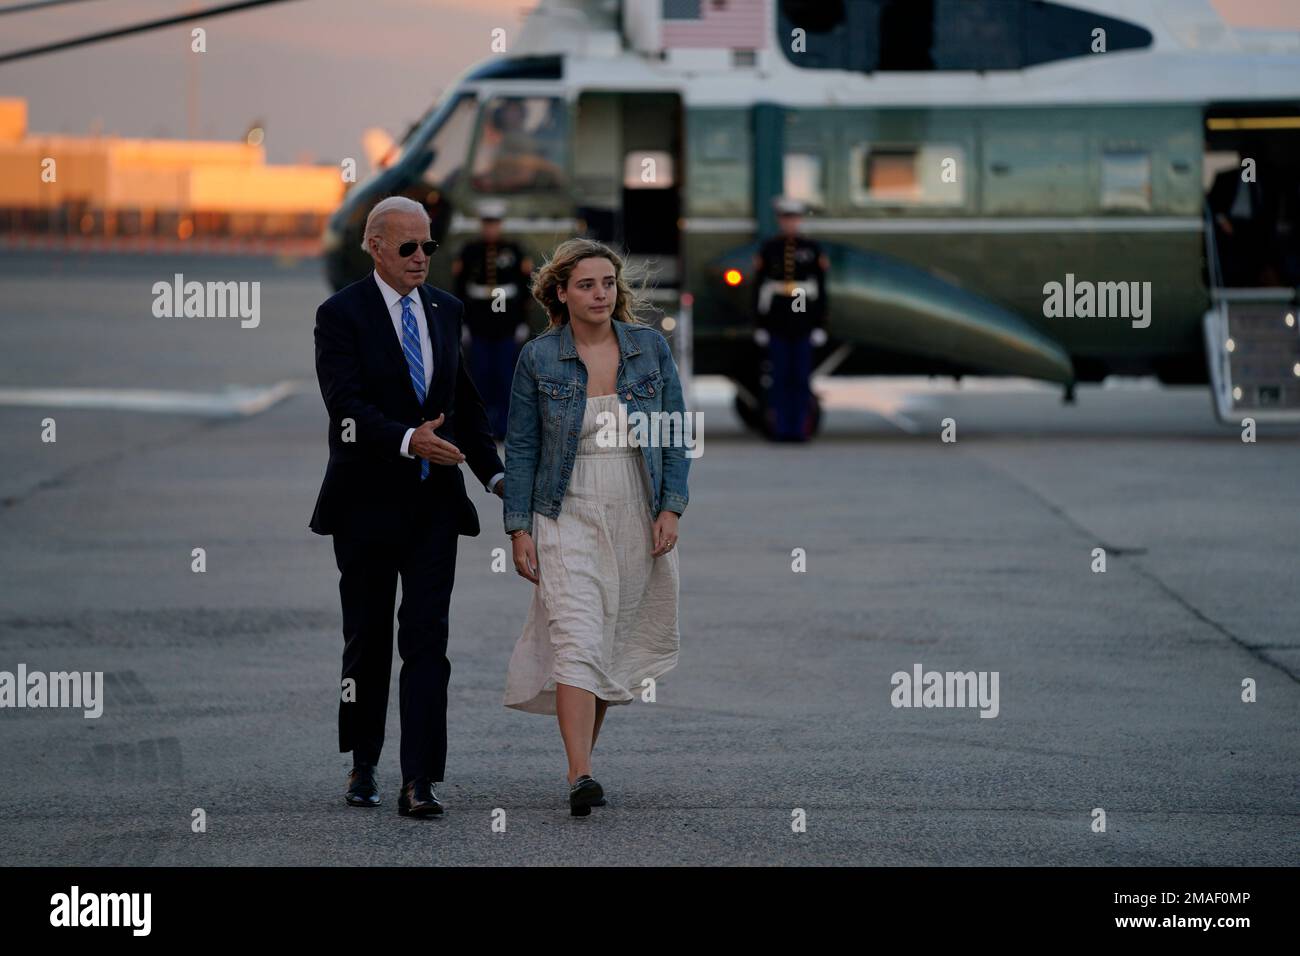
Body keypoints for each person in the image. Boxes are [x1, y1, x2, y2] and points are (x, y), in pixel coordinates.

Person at [310, 195, 506, 818]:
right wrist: (405, 438)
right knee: (367, 639)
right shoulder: (339, 315)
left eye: (428, 247)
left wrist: (498, 480)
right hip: (364, 506)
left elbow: (466, 406)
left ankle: (419, 779)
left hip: (433, 509)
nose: (422, 257)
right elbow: (344, 405)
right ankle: (362, 761)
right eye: (408, 247)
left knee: (427, 642)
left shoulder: (446, 310)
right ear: (375, 247)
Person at [501, 237, 690, 816]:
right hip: (566, 509)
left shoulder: (650, 348)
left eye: (607, 283)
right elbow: (524, 449)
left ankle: (583, 763)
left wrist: (670, 508)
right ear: (561, 292)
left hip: (636, 505)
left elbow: (675, 433)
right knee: (578, 635)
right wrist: (519, 528)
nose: (600, 294)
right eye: (586, 284)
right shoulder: (538, 358)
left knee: (608, 642)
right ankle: (580, 773)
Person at [452, 199, 533, 439]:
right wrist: (463, 324)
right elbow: (460, 290)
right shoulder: (469, 251)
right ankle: (482, 428)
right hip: (479, 324)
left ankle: (504, 428)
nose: (490, 229)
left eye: (494, 224)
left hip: (506, 325)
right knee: (480, 377)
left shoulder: (514, 250)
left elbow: (524, 290)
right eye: (486, 224)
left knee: (505, 377)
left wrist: (522, 322)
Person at [752, 196, 830, 441]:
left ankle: (799, 429)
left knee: (800, 378)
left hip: (803, 321)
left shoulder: (812, 249)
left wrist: (819, 325)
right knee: (780, 379)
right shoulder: (769, 248)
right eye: (786, 218)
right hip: (777, 320)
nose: (790, 223)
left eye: (794, 218)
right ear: (780, 220)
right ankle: (781, 429)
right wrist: (760, 324)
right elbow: (759, 288)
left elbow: (821, 289)